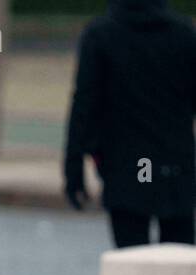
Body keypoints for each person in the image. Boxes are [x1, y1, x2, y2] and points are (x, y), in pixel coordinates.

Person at [63, 0, 196, 247]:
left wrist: (74, 169)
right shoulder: (184, 33)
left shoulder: (100, 35)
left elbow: (84, 105)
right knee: (180, 268)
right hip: (176, 168)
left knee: (129, 266)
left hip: (124, 168)